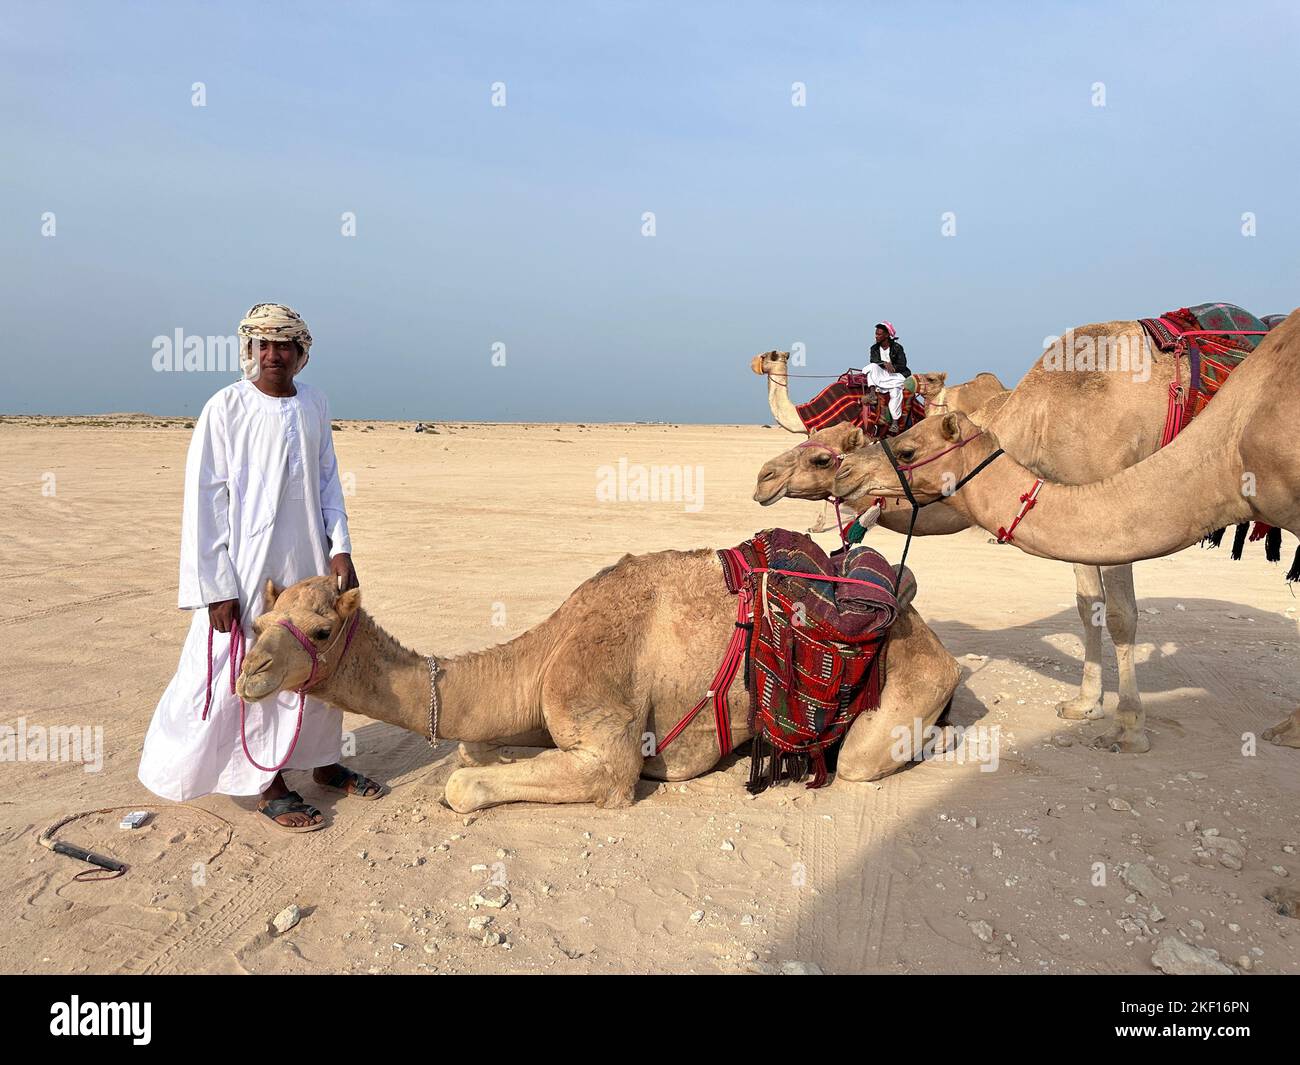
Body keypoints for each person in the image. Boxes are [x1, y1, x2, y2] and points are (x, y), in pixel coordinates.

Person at [138, 303, 383, 832]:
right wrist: (215, 585)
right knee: (251, 661)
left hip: (309, 563)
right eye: (264, 345)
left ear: (301, 354)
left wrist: (340, 547)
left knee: (317, 658)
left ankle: (321, 758)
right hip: (247, 569)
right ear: (250, 350)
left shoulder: (314, 404)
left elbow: (327, 481)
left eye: (285, 345)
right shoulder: (224, 408)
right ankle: (264, 780)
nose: (274, 355)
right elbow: (204, 502)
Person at [863, 321, 911, 422]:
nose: (876, 336)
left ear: (887, 335)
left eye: (879, 334)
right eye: (876, 334)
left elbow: (902, 365)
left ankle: (895, 421)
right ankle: (872, 394)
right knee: (871, 367)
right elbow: (874, 361)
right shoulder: (874, 348)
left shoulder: (897, 348)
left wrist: (893, 367)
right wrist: (884, 363)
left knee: (895, 392)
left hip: (896, 376)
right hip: (883, 374)